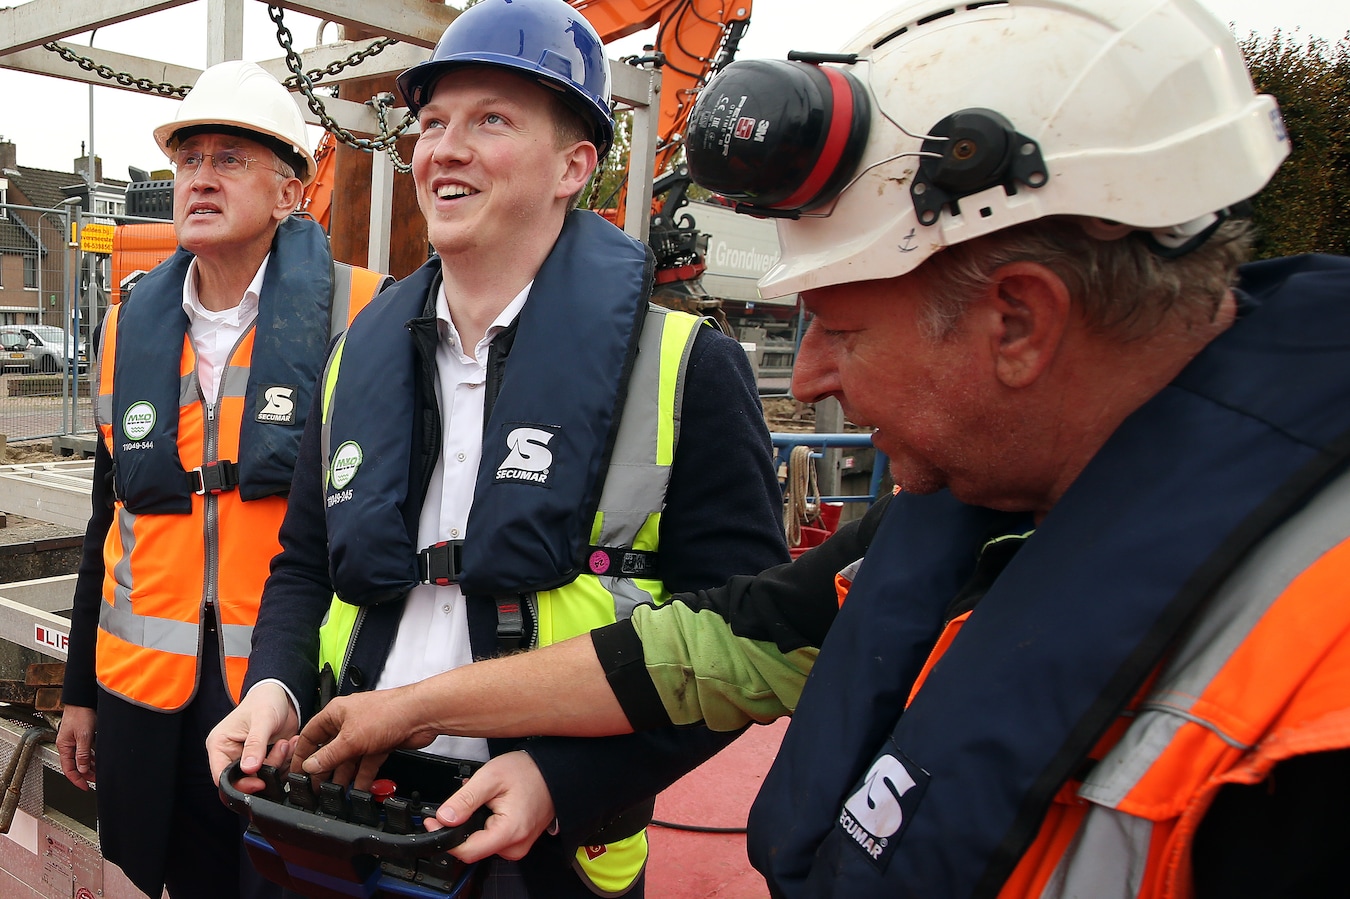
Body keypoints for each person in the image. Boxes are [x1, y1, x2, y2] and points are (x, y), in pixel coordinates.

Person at [285, 0, 1350, 896]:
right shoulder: (976, 516)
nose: (809, 381)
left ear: (1020, 320)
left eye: (840, 326)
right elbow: (711, 645)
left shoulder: (1314, 696)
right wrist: (409, 707)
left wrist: (559, 778)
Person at [205, 0, 788, 896]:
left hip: (545, 838)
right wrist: (273, 690)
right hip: (345, 804)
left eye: (491, 120)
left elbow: (742, 641)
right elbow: (304, 563)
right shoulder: (352, 356)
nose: (445, 148)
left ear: (574, 166)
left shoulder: (687, 368)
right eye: (433, 122)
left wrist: (568, 784)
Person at [53, 60, 389, 899]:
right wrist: (79, 696)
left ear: (288, 195)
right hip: (148, 702)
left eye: (229, 159)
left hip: (291, 691)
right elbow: (110, 523)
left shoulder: (366, 313)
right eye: (188, 160)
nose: (200, 178)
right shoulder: (130, 326)